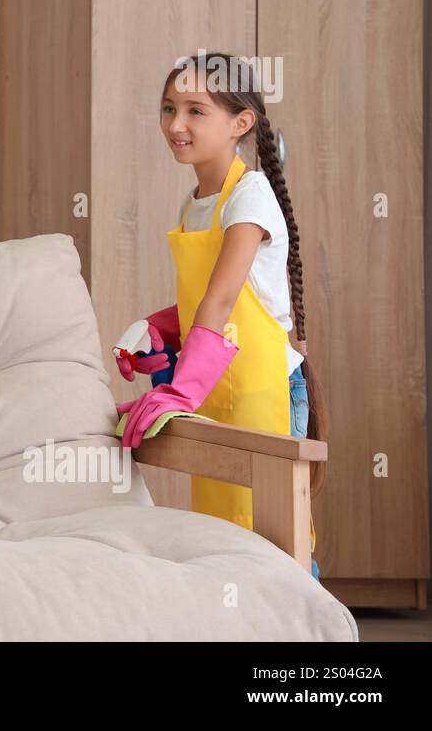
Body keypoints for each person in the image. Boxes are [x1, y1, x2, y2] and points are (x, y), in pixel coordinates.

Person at [114, 52, 326, 582]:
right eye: (168, 108)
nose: (176, 125)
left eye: (195, 111)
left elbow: (224, 301)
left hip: (264, 389)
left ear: (241, 122)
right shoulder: (196, 201)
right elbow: (201, 301)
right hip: (219, 385)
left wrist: (181, 389)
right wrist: (154, 331)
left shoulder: (249, 194)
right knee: (226, 533)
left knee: (277, 542)